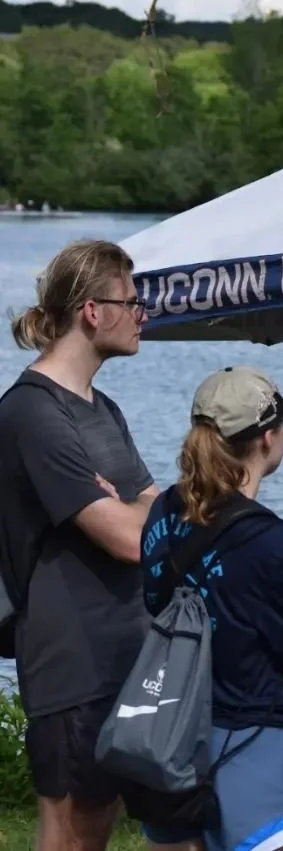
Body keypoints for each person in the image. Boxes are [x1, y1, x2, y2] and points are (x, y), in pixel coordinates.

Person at [134, 365, 283, 851]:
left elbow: (153, 604)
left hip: (171, 740)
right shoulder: (275, 546)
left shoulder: (162, 514)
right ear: (268, 438)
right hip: (254, 745)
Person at [0, 239, 158, 851]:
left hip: (124, 647)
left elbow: (160, 507)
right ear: (94, 311)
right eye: (133, 300)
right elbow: (128, 539)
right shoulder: (34, 415)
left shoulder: (102, 409)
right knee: (70, 833)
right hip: (71, 659)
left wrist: (129, 506)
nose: (143, 313)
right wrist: (131, 510)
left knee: (99, 822)